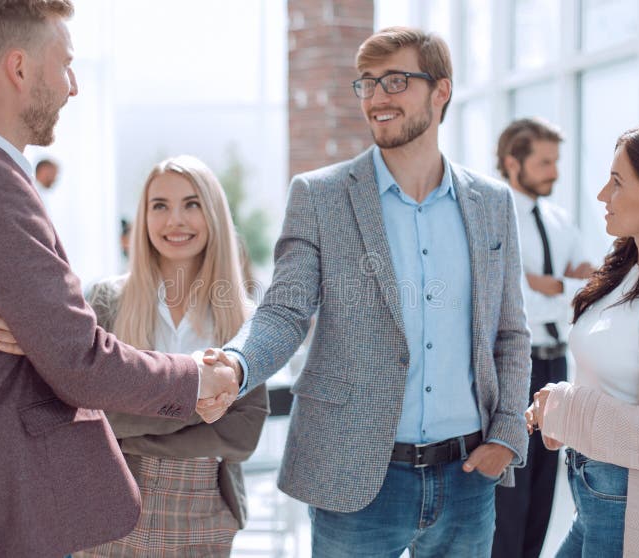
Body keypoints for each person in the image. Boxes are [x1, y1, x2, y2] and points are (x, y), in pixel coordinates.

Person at [0, 2, 236, 556]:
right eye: (64, 65)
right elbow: (79, 360)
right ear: (19, 69)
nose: (74, 87)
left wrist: (42, 340)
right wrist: (193, 379)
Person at [207, 26, 532, 556]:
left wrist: (506, 436)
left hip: (469, 478)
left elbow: (511, 333)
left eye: (396, 81)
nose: (378, 98)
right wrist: (237, 364)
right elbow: (285, 310)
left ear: (441, 91)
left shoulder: (492, 203)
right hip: (355, 478)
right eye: (367, 84)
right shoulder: (320, 195)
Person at [0, 156, 270, 557]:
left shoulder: (244, 317)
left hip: (203, 512)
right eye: (159, 206)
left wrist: (128, 420)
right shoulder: (106, 301)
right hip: (105, 505)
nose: (175, 221)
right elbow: (79, 407)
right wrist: (195, 401)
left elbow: (242, 435)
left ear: (214, 214)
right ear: (143, 217)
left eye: (191, 204)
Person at [527, 120, 639, 557]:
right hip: (594, 493)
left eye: (617, 182)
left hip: (630, 504)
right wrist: (562, 409)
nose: (601, 196)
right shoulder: (624, 274)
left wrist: (569, 409)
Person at [492, 118, 594, 558]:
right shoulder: (494, 214)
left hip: (557, 365)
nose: (554, 171)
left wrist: (546, 284)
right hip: (516, 362)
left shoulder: (560, 220)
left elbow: (591, 289)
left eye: (556, 161)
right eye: (544, 161)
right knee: (509, 491)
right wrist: (553, 287)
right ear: (513, 162)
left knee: (543, 489)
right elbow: (510, 301)